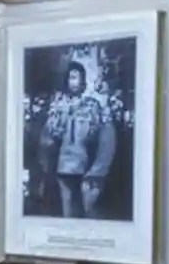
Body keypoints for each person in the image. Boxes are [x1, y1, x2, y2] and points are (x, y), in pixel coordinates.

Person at [37, 60, 117, 218]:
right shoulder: (58, 107)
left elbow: (106, 139)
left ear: (83, 79)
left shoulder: (93, 106)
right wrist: (46, 166)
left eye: (75, 77)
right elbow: (47, 138)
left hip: (85, 169)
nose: (72, 81)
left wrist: (98, 170)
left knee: (85, 212)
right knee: (66, 210)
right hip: (63, 167)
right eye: (69, 77)